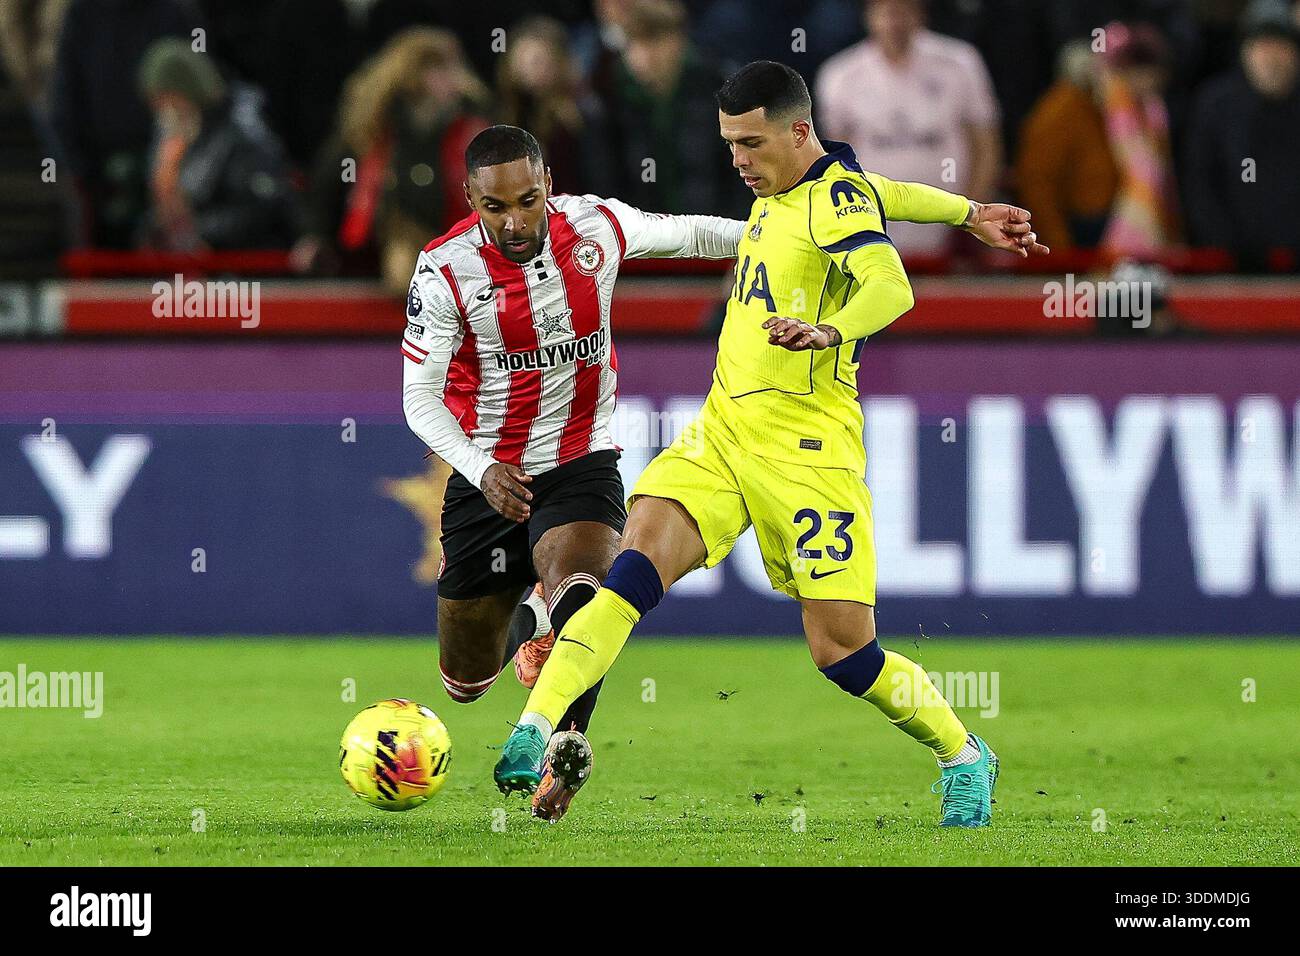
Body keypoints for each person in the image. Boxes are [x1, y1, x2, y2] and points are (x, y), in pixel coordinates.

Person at [495, 62, 1049, 828]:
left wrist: (831, 328)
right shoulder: (815, 182)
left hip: (808, 451)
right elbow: (888, 190)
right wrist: (967, 209)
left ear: (797, 130)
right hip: (723, 431)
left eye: (751, 143)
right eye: (728, 145)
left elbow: (892, 285)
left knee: (845, 654)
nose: (738, 162)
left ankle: (963, 755)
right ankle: (531, 733)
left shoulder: (830, 203)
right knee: (628, 577)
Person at [401, 125, 743, 821]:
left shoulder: (595, 228)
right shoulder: (443, 271)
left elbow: (695, 235)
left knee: (588, 588)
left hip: (581, 462)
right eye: (497, 207)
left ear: (548, 183)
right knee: (466, 680)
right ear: (471, 199)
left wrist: (789, 234)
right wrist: (478, 466)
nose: (516, 220)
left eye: (529, 200)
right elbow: (419, 397)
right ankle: (531, 622)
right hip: (487, 475)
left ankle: (563, 745)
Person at [294, 28, 490, 295]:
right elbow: (326, 185)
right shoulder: (371, 132)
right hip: (380, 249)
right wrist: (314, 236)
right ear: (414, 77)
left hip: (455, 242)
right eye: (440, 70)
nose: (455, 78)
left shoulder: (470, 129)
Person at [815, 0, 1002, 257]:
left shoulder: (960, 62)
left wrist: (972, 217)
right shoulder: (840, 75)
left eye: (903, 11)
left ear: (920, 14)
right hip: (872, 229)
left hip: (950, 226)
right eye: (886, 12)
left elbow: (985, 146)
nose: (895, 22)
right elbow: (831, 160)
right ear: (869, 16)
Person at [135, 39, 298, 251]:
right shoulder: (174, 135)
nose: (165, 112)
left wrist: (197, 233)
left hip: (241, 266)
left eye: (171, 100)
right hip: (188, 264)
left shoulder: (239, 131)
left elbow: (262, 210)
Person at [1184, 2, 1300, 270]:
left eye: (1280, 47)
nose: (1270, 58)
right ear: (1245, 52)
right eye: (1261, 47)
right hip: (1234, 267)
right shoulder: (1216, 104)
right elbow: (1199, 183)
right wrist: (1227, 247)